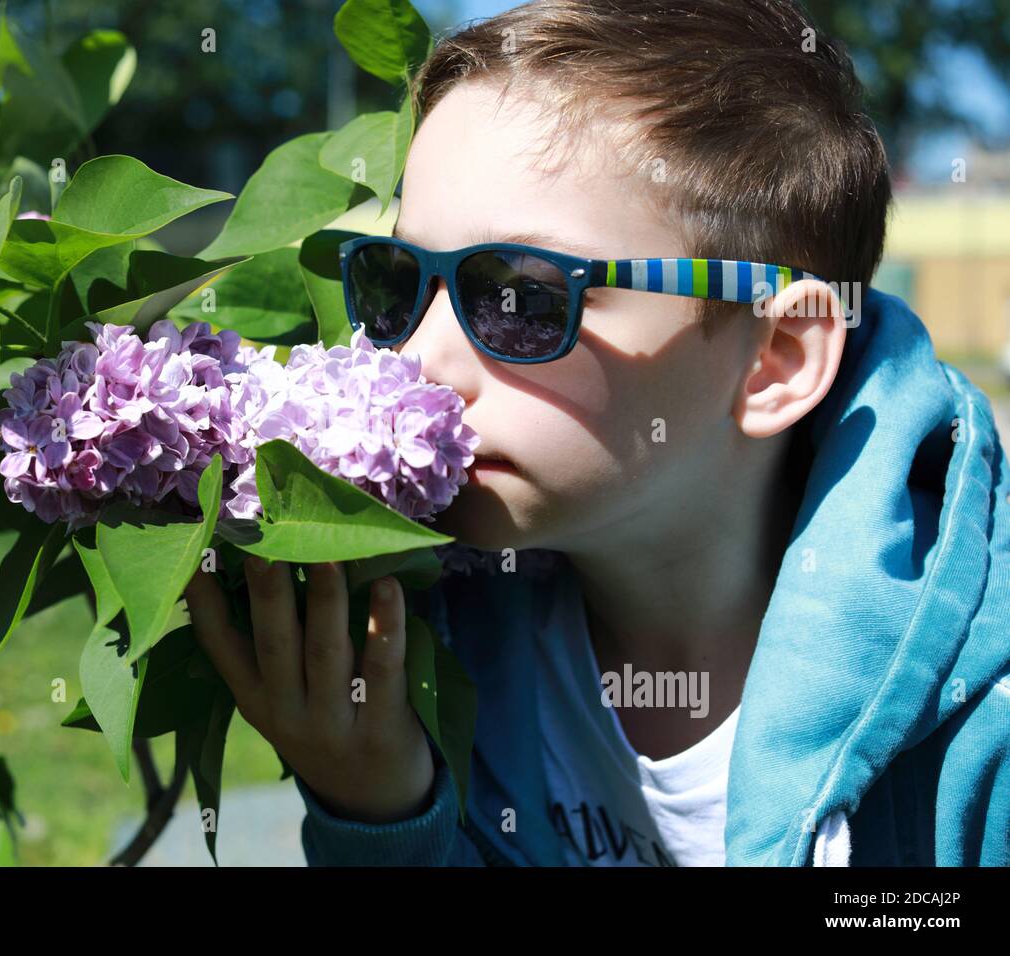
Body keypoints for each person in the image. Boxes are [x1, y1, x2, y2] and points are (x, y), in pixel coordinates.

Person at [183, 0, 1010, 866]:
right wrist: (385, 814)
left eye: (522, 296)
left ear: (776, 359)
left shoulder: (977, 743)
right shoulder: (424, 626)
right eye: (398, 281)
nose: (418, 361)